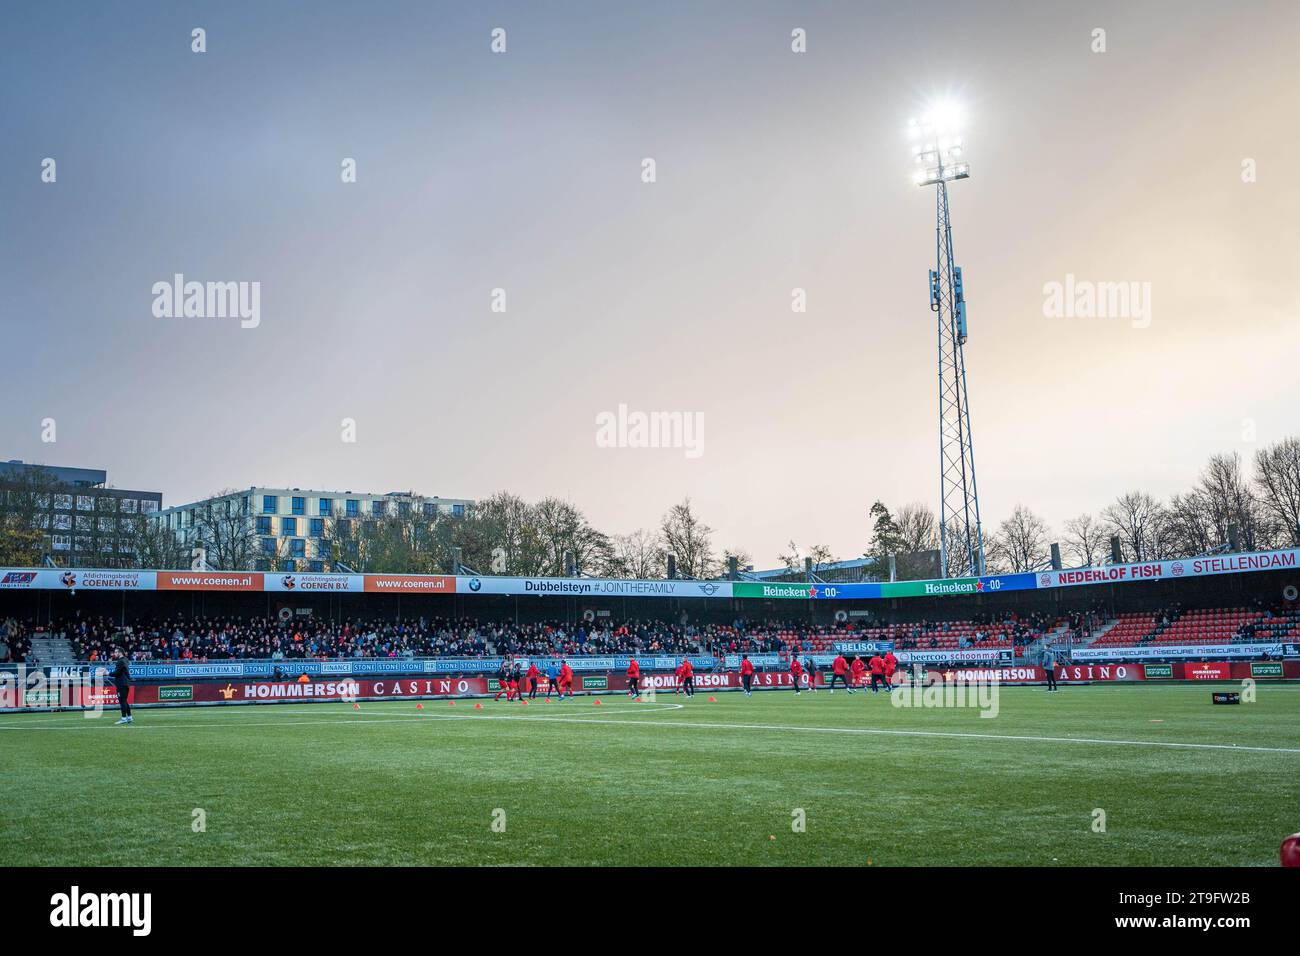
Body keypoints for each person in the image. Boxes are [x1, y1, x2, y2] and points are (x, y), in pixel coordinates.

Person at [111, 651, 133, 724]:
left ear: (120, 653)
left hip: (121, 683)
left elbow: (117, 673)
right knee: (124, 700)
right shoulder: (126, 660)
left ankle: (124, 718)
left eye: (116, 652)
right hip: (126, 683)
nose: (115, 653)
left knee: (122, 701)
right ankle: (129, 717)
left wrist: (107, 673)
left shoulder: (120, 661)